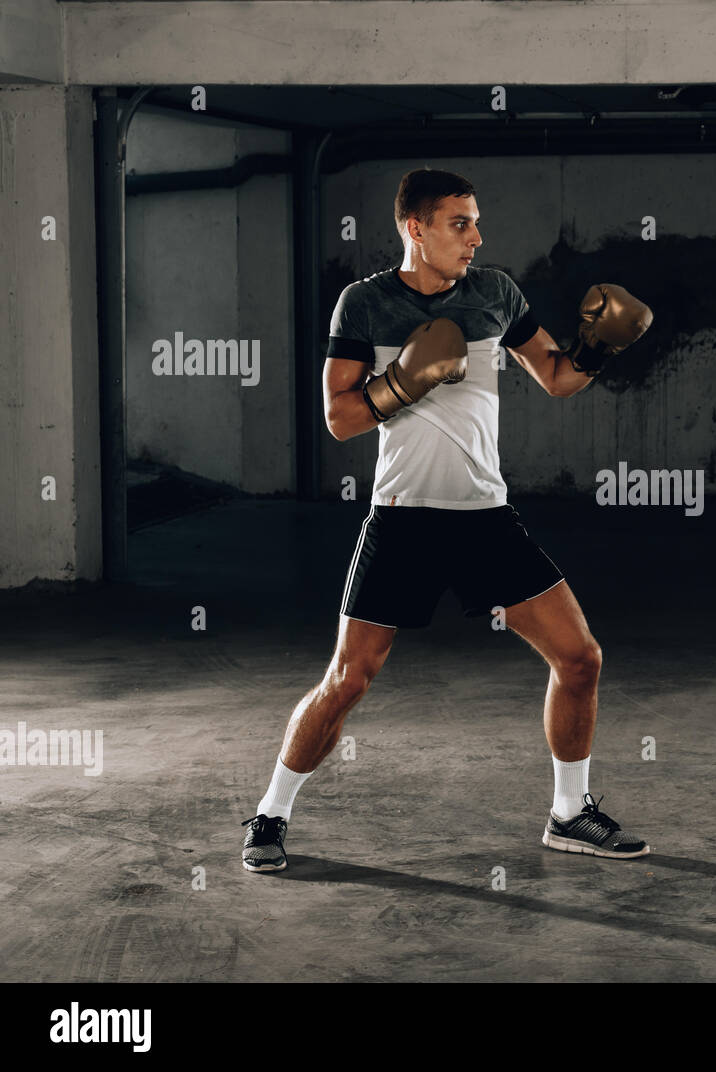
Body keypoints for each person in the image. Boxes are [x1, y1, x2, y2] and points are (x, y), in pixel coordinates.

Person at [241, 167, 653, 872]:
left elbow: (556, 377)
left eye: (476, 221)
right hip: (403, 520)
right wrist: (403, 381)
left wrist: (596, 349)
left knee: (580, 658)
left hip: (484, 517)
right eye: (459, 223)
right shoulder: (363, 304)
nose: (475, 236)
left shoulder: (496, 293)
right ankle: (270, 815)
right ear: (416, 228)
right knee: (348, 679)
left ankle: (568, 812)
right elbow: (340, 419)